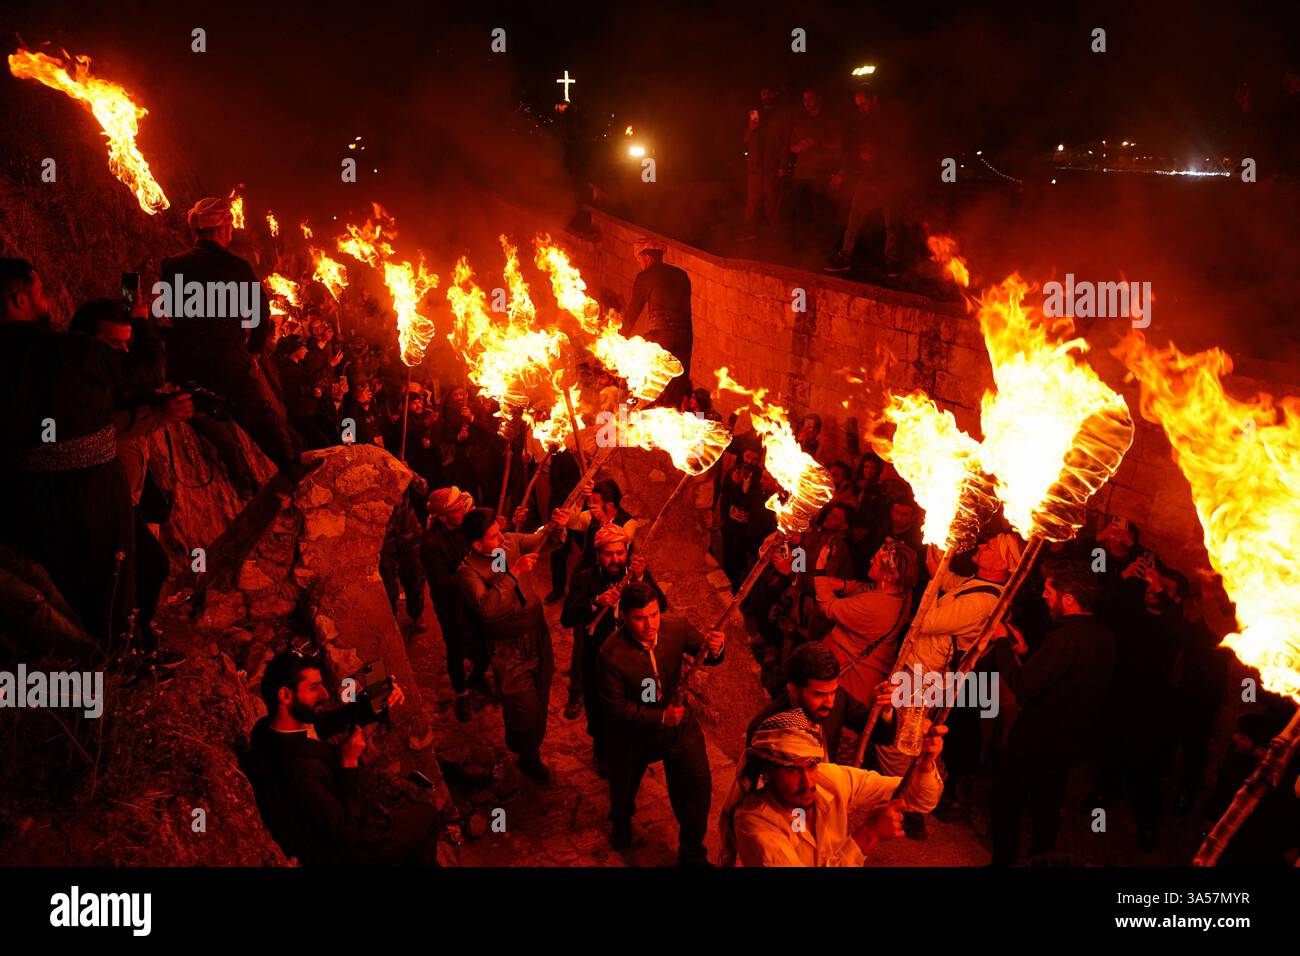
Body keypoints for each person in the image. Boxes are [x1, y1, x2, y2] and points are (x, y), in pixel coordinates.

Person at [0, 258, 164, 649]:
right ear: (19, 298)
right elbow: (145, 373)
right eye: (40, 293)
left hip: (25, 487)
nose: (46, 300)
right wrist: (140, 319)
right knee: (110, 580)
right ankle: (118, 660)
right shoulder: (70, 349)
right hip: (90, 486)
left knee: (61, 577)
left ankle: (77, 664)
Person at [67, 299, 190, 668]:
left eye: (127, 344)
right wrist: (157, 413)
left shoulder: (111, 376)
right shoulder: (76, 381)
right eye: (114, 344)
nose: (123, 353)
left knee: (142, 568)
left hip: (124, 490)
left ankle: (136, 639)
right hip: (95, 492)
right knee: (143, 567)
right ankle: (121, 653)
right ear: (85, 341)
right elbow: (104, 427)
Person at [873, 532, 1021, 839]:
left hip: (923, 677)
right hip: (923, 672)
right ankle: (920, 802)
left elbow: (925, 623)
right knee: (916, 741)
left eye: (989, 546)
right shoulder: (981, 586)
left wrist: (915, 589)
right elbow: (954, 586)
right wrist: (939, 568)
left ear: (1004, 563)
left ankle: (906, 808)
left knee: (900, 744)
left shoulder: (982, 602)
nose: (981, 545)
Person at [245, 651, 441, 866]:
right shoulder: (303, 771)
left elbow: (323, 723)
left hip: (328, 818)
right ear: (285, 695)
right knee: (427, 817)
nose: (325, 694)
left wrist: (373, 703)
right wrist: (349, 762)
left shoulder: (267, 728)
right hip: (346, 849)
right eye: (314, 687)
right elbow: (346, 832)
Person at [160, 197, 304, 487]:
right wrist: (253, 350)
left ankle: (242, 478)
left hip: (184, 359)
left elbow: (172, 310)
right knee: (260, 418)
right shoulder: (237, 268)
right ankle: (293, 473)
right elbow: (260, 315)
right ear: (224, 229)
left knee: (205, 411)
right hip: (228, 359)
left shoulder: (173, 265)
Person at [990, 560, 1115, 865]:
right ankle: (1039, 863)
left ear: (1068, 600)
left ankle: (1003, 864)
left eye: (1050, 591)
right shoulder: (1104, 636)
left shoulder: (1064, 638)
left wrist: (1001, 642)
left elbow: (1023, 687)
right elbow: (1062, 676)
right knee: (1047, 807)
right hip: (1070, 743)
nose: (1045, 596)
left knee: (1007, 802)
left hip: (1037, 740)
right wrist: (1026, 654)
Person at [597, 581, 725, 863]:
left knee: (696, 788)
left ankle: (691, 853)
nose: (649, 624)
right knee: (623, 787)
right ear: (624, 617)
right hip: (634, 733)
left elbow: (707, 653)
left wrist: (716, 647)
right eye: (640, 618)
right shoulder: (611, 654)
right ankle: (621, 824)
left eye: (653, 614)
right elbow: (614, 707)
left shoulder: (676, 627)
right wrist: (658, 717)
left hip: (678, 723)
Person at [720, 709, 945, 866]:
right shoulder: (754, 824)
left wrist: (924, 765)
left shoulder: (830, 779)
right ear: (767, 772)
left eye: (811, 766)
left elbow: (918, 800)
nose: (808, 782)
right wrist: (867, 835)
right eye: (791, 770)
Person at [455, 504, 570, 783]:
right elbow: (488, 607)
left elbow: (546, 540)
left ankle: (530, 755)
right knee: (523, 705)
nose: (502, 538)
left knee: (541, 691)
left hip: (536, 632)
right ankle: (521, 745)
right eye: (494, 536)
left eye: (500, 531)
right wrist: (514, 574)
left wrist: (558, 526)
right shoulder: (467, 571)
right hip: (507, 645)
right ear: (477, 544)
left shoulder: (512, 542)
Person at [561, 524, 667, 773]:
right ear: (598, 554)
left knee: (644, 705)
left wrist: (641, 579)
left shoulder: (635, 576)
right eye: (609, 554)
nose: (615, 559)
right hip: (600, 662)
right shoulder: (585, 580)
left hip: (639, 661)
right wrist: (595, 603)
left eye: (620, 553)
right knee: (602, 712)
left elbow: (661, 604)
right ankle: (604, 755)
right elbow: (567, 618)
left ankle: (640, 752)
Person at [817, 541, 917, 758]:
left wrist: (819, 570)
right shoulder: (901, 594)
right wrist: (843, 585)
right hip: (866, 678)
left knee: (833, 744)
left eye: (877, 560)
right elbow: (867, 589)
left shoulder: (874, 607)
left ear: (890, 575)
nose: (870, 560)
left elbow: (827, 606)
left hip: (853, 683)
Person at [419, 487, 490, 722]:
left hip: (477, 601)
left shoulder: (466, 526)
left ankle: (478, 676)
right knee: (457, 650)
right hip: (453, 608)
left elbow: (489, 543)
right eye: (458, 508)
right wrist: (471, 569)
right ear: (443, 516)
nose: (464, 509)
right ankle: (461, 694)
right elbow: (441, 584)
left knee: (486, 646)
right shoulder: (431, 543)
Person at [624, 238, 693, 408]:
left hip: (663, 335)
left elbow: (634, 309)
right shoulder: (681, 275)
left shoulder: (646, 276)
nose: (640, 264)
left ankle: (649, 421)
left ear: (647, 257)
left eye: (639, 260)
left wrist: (620, 336)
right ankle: (671, 417)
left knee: (653, 384)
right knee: (676, 384)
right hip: (686, 336)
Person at [744, 641, 840, 760]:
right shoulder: (765, 729)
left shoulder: (837, 698)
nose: (830, 703)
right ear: (793, 690)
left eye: (833, 692)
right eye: (818, 694)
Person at [789, 88, 842, 252]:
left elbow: (839, 145)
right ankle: (803, 245)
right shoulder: (801, 121)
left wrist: (817, 143)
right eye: (804, 99)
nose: (807, 103)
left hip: (820, 175)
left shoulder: (828, 120)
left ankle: (822, 246)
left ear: (819, 98)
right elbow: (792, 147)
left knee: (820, 212)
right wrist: (801, 146)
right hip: (802, 175)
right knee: (801, 213)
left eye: (810, 99)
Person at [740, 86, 794, 239]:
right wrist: (751, 129)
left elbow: (785, 141)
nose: (765, 96)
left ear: (774, 94)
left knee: (772, 201)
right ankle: (749, 231)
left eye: (768, 92)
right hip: (755, 166)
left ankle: (775, 232)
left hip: (772, 165)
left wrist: (783, 165)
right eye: (762, 93)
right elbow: (745, 139)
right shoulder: (755, 114)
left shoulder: (781, 115)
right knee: (753, 200)